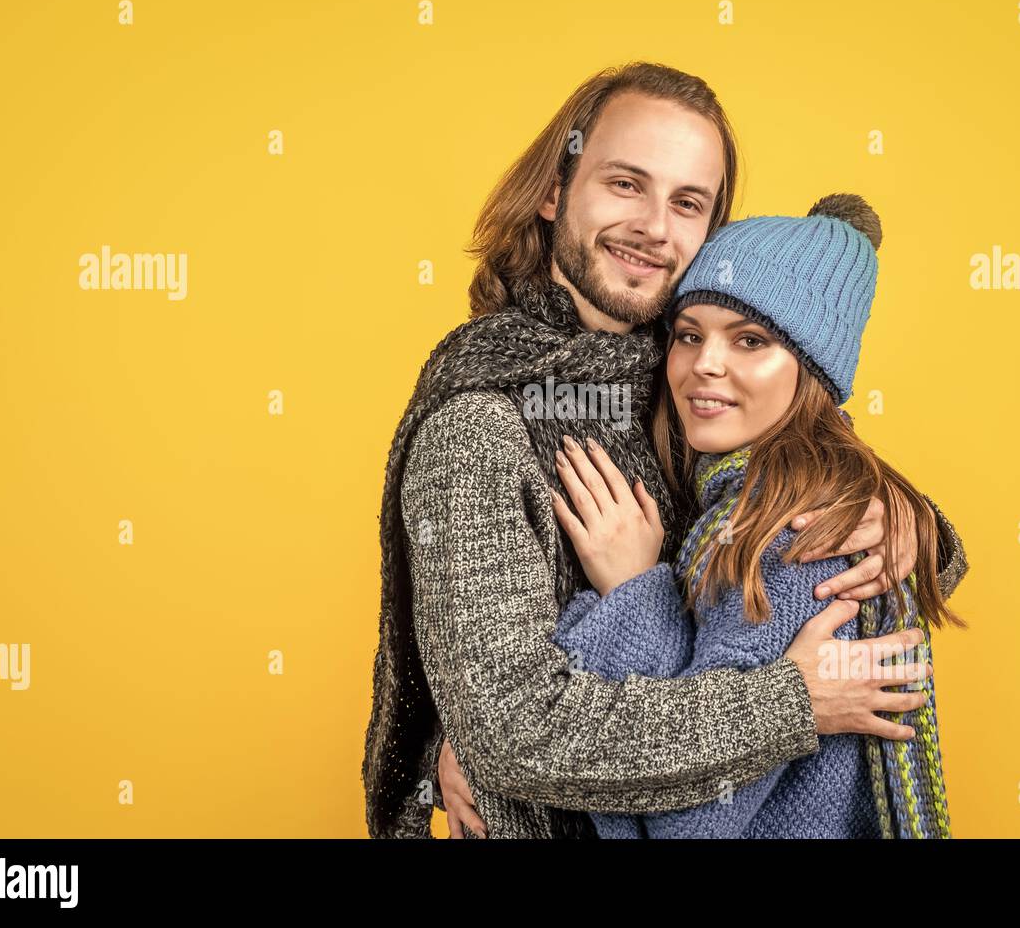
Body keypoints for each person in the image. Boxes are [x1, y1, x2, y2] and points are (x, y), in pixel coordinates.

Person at [363, 62, 969, 840]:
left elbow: (820, 530)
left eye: (688, 203)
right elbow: (521, 731)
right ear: (555, 192)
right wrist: (792, 702)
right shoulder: (481, 427)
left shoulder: (691, 387)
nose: (655, 226)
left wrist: (905, 524)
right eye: (625, 184)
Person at [548, 195, 965, 838]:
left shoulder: (784, 536)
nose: (704, 364)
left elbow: (690, 826)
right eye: (689, 334)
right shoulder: (817, 498)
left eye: (751, 340)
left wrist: (633, 594)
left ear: (812, 372)